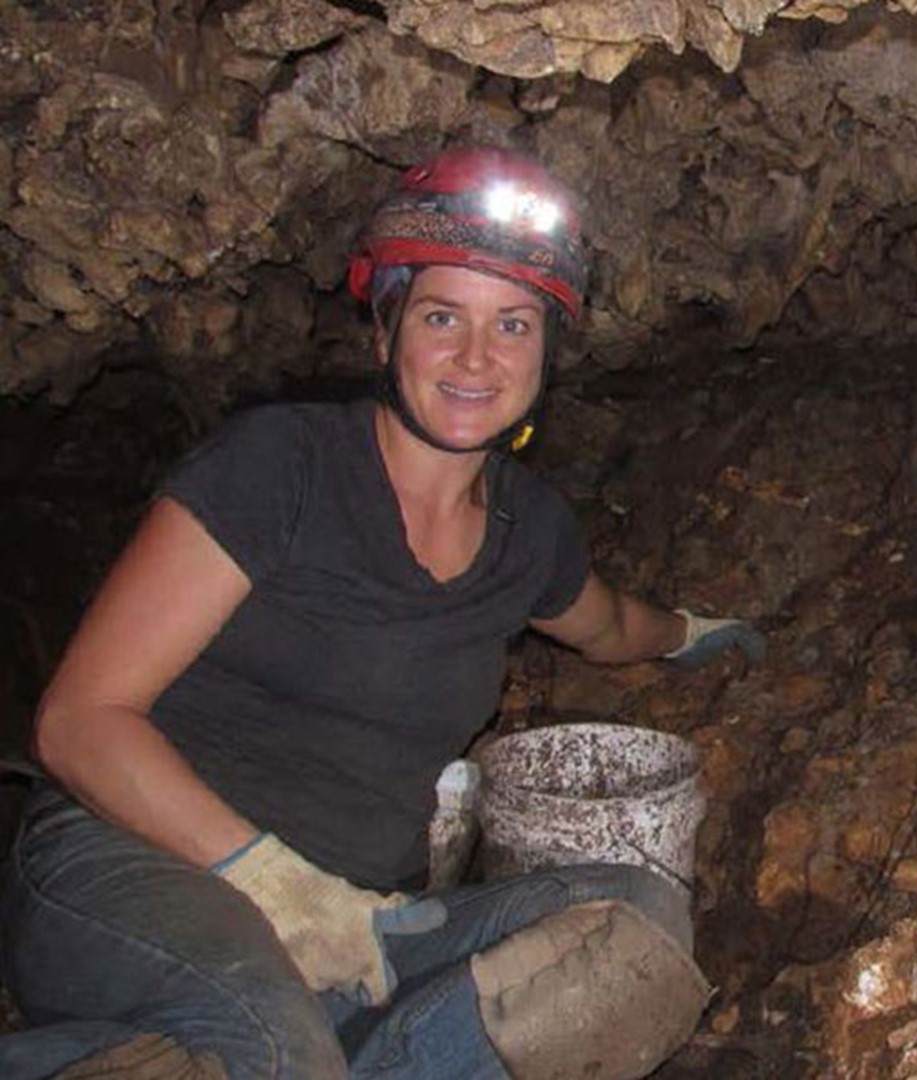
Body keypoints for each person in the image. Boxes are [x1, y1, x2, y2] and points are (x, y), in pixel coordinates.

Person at [0, 145, 765, 1080]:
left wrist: (695, 635)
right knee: (274, 1044)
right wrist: (276, 889)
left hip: (362, 922)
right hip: (136, 866)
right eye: (443, 316)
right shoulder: (280, 468)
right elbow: (77, 722)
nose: (476, 356)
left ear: (544, 356)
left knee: (629, 930)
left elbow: (610, 627)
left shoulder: (530, 533)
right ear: (385, 332)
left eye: (514, 325)